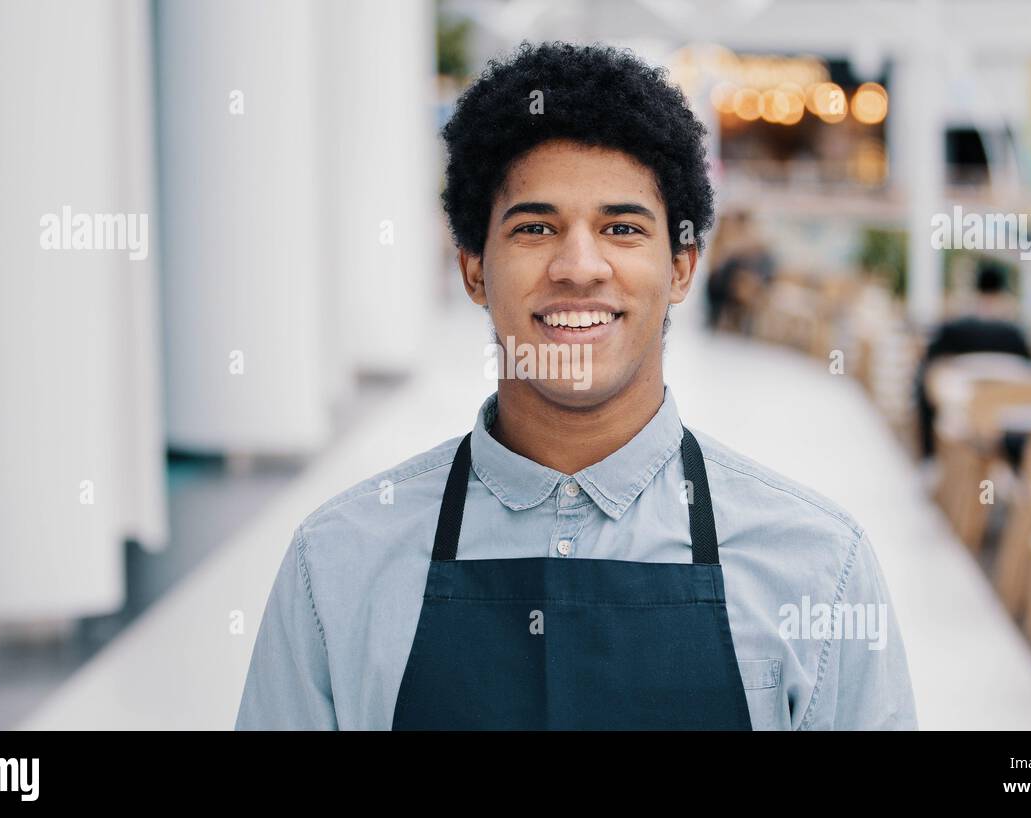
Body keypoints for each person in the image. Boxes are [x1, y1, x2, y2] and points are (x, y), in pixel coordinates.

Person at [235, 41, 917, 730]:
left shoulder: (816, 569)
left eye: (622, 227)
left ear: (682, 268)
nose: (579, 266)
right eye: (536, 227)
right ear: (473, 268)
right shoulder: (339, 564)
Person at [914, 258, 1031, 459]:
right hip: (1004, 422)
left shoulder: (955, 328)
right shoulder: (1014, 334)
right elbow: (1030, 372)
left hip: (964, 419)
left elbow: (928, 370)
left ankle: (930, 458)